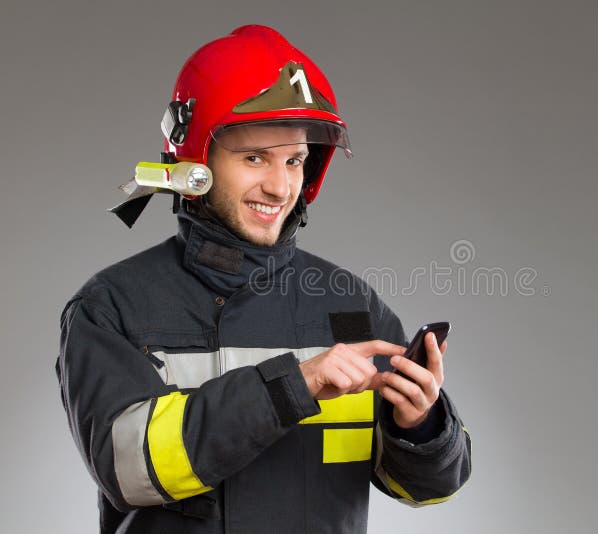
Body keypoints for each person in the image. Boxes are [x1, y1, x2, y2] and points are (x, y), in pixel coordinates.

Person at [56, 25, 471, 534]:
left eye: (294, 160)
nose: (280, 187)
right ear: (194, 162)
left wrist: (419, 425)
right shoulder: (112, 307)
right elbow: (129, 470)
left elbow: (428, 487)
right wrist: (295, 385)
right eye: (254, 158)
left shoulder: (352, 307)